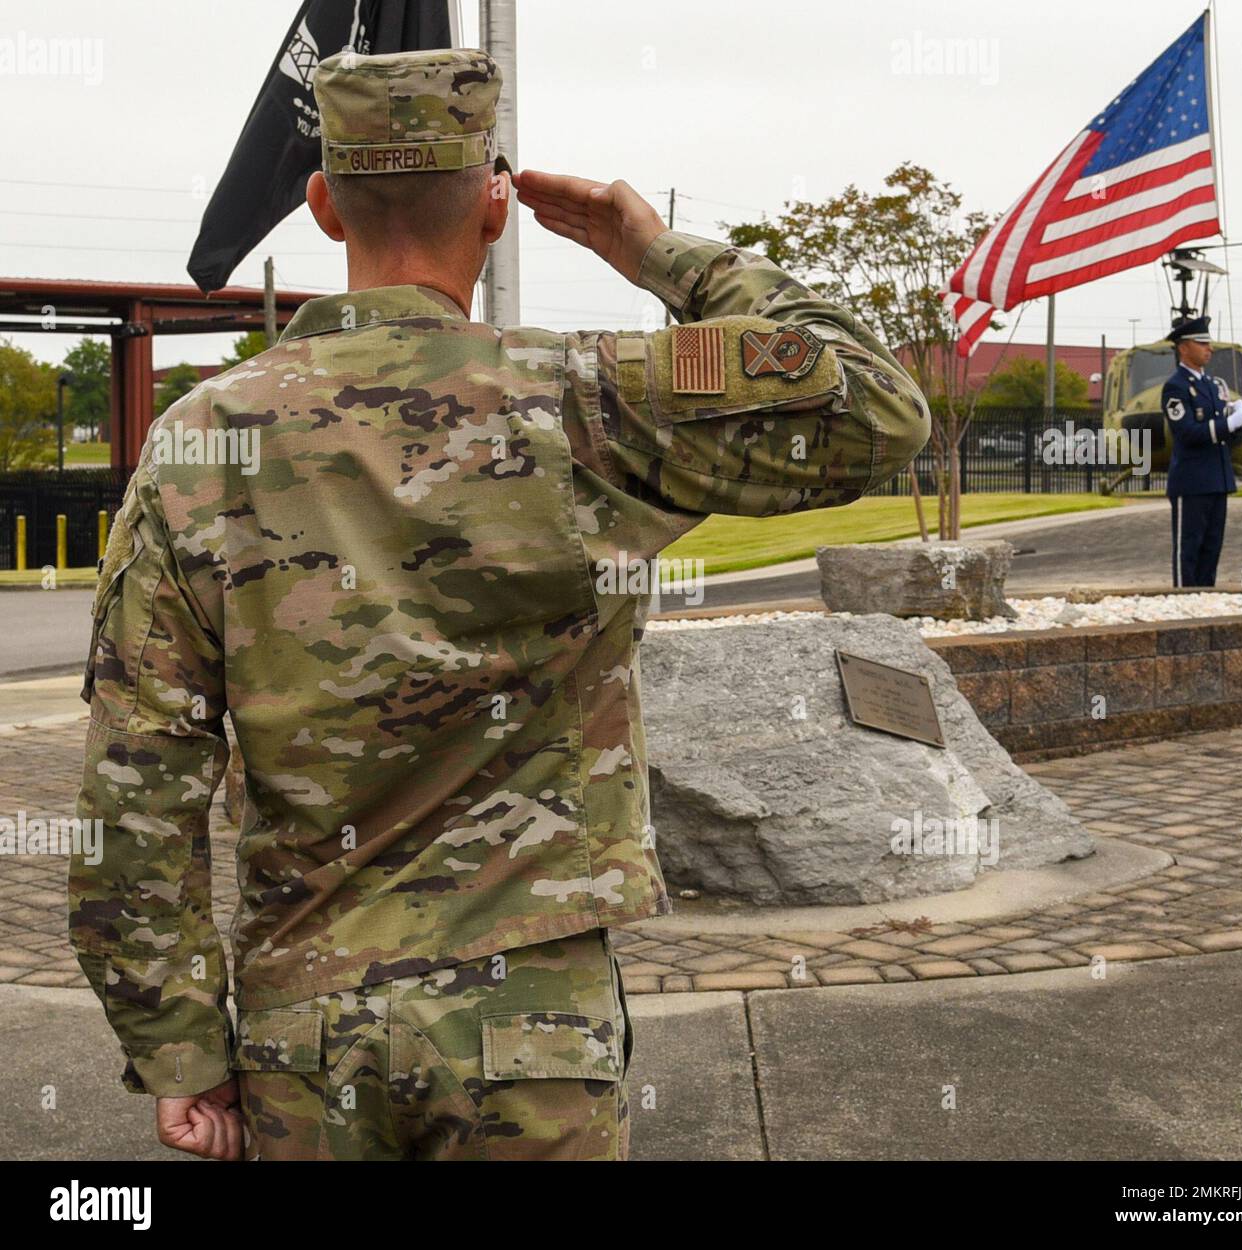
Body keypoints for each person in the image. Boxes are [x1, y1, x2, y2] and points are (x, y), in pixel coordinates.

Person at [68, 48, 931, 1161]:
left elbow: (136, 785)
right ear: (494, 205)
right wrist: (652, 249)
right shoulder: (585, 397)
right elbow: (877, 404)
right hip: (532, 1026)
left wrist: (181, 1048)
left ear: (323, 205)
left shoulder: (201, 439)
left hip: (304, 1031)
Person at [1161, 314, 1242, 588]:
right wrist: (1228, 423)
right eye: (1201, 342)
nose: (1208, 348)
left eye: (1208, 343)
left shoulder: (1213, 385)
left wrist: (1239, 419)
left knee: (1211, 548)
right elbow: (1187, 432)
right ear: (1183, 347)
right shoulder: (1176, 387)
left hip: (1217, 477)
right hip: (1191, 480)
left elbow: (1224, 428)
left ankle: (1206, 598)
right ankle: (1184, 602)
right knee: (1188, 549)